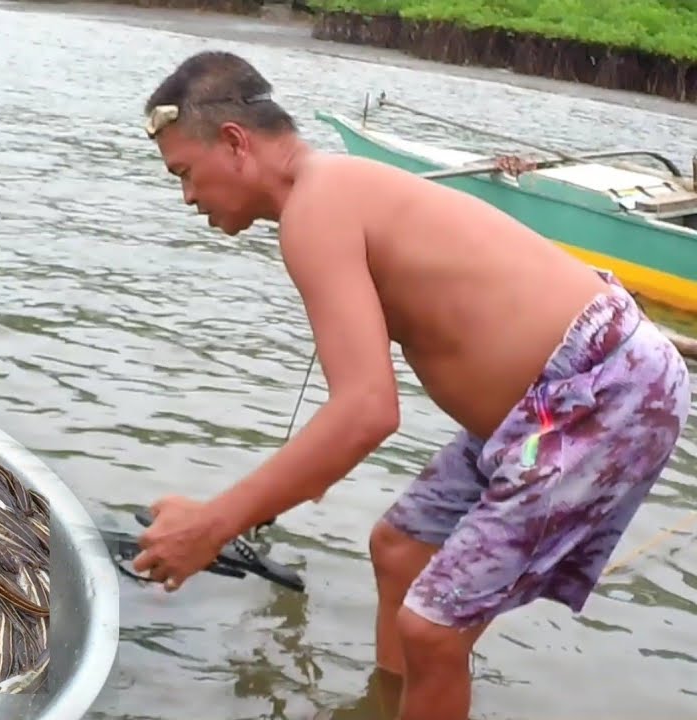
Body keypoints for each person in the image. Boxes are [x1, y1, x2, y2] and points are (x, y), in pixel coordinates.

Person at [129, 50, 691, 720]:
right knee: (400, 551)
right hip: (537, 409)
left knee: (433, 629)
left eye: (185, 174)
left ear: (234, 142)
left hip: (602, 391)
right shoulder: (328, 194)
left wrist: (214, 524)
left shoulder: (317, 207)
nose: (187, 196)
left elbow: (367, 410)